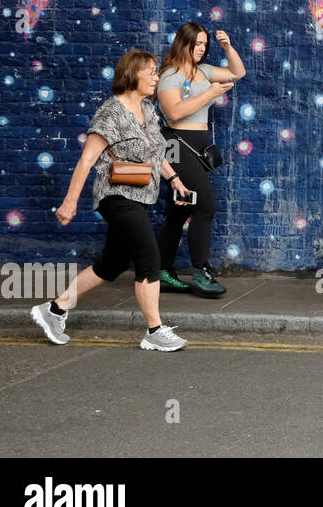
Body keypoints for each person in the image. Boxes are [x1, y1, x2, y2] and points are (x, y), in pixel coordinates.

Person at [31, 50, 193, 351]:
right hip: (115, 195)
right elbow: (87, 159)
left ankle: (54, 310)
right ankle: (154, 331)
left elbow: (156, 153)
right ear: (133, 75)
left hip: (139, 195)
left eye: (156, 71)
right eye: (151, 71)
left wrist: (175, 180)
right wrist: (70, 202)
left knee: (112, 264)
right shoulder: (111, 112)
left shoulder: (147, 108)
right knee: (149, 256)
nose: (156, 77)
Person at [155, 22, 246, 298]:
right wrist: (210, 93)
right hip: (176, 147)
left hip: (195, 146)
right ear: (184, 44)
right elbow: (173, 112)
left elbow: (237, 72)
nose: (202, 49)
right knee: (205, 206)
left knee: (178, 213)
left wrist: (227, 47)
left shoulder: (204, 71)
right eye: (197, 44)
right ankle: (200, 271)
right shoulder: (170, 76)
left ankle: (161, 273)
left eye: (205, 44)